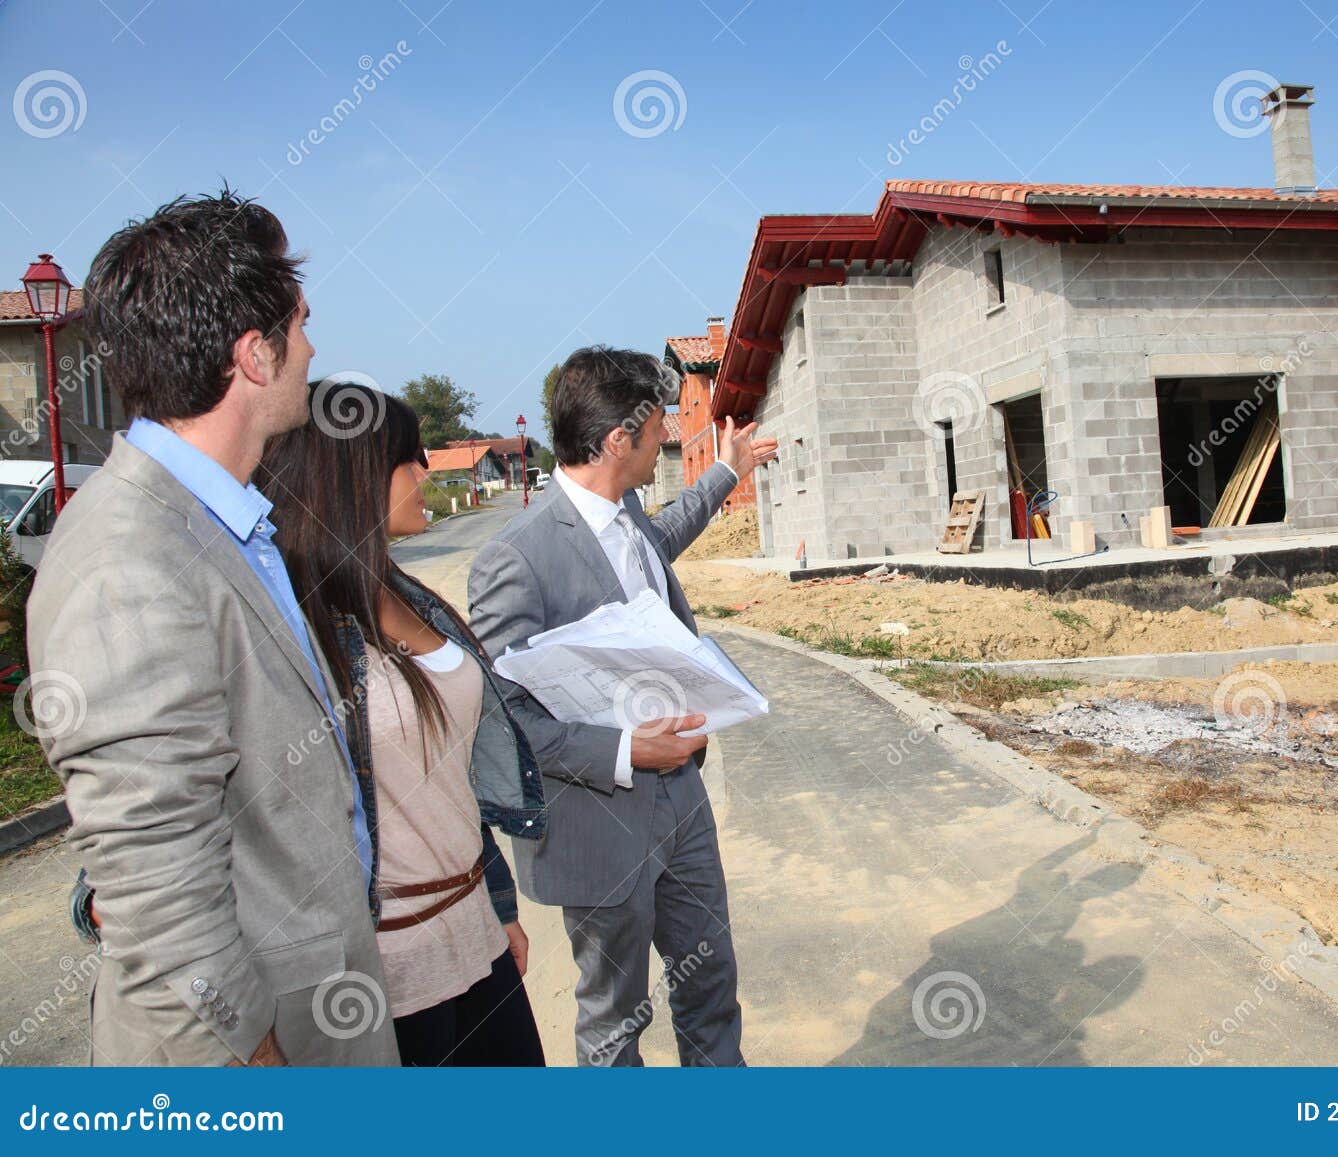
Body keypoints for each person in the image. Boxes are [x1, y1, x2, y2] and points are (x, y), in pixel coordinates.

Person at [27, 191, 398, 1065]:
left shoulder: (223, 522)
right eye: (300, 324)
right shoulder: (131, 554)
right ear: (254, 356)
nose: (312, 347)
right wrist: (254, 1066)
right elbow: (155, 888)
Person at [469, 346, 777, 1066]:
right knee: (614, 1020)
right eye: (657, 427)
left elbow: (656, 544)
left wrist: (729, 470)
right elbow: (505, 719)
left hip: (682, 803)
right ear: (617, 440)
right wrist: (624, 750)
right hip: (599, 820)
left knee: (711, 986)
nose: (667, 437)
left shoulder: (627, 511)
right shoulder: (515, 557)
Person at [257, 380, 547, 1066]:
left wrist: (499, 903)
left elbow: (452, 772)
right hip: (382, 970)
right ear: (347, 478)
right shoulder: (288, 625)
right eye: (408, 456)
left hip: (473, 931)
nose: (426, 471)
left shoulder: (412, 594)